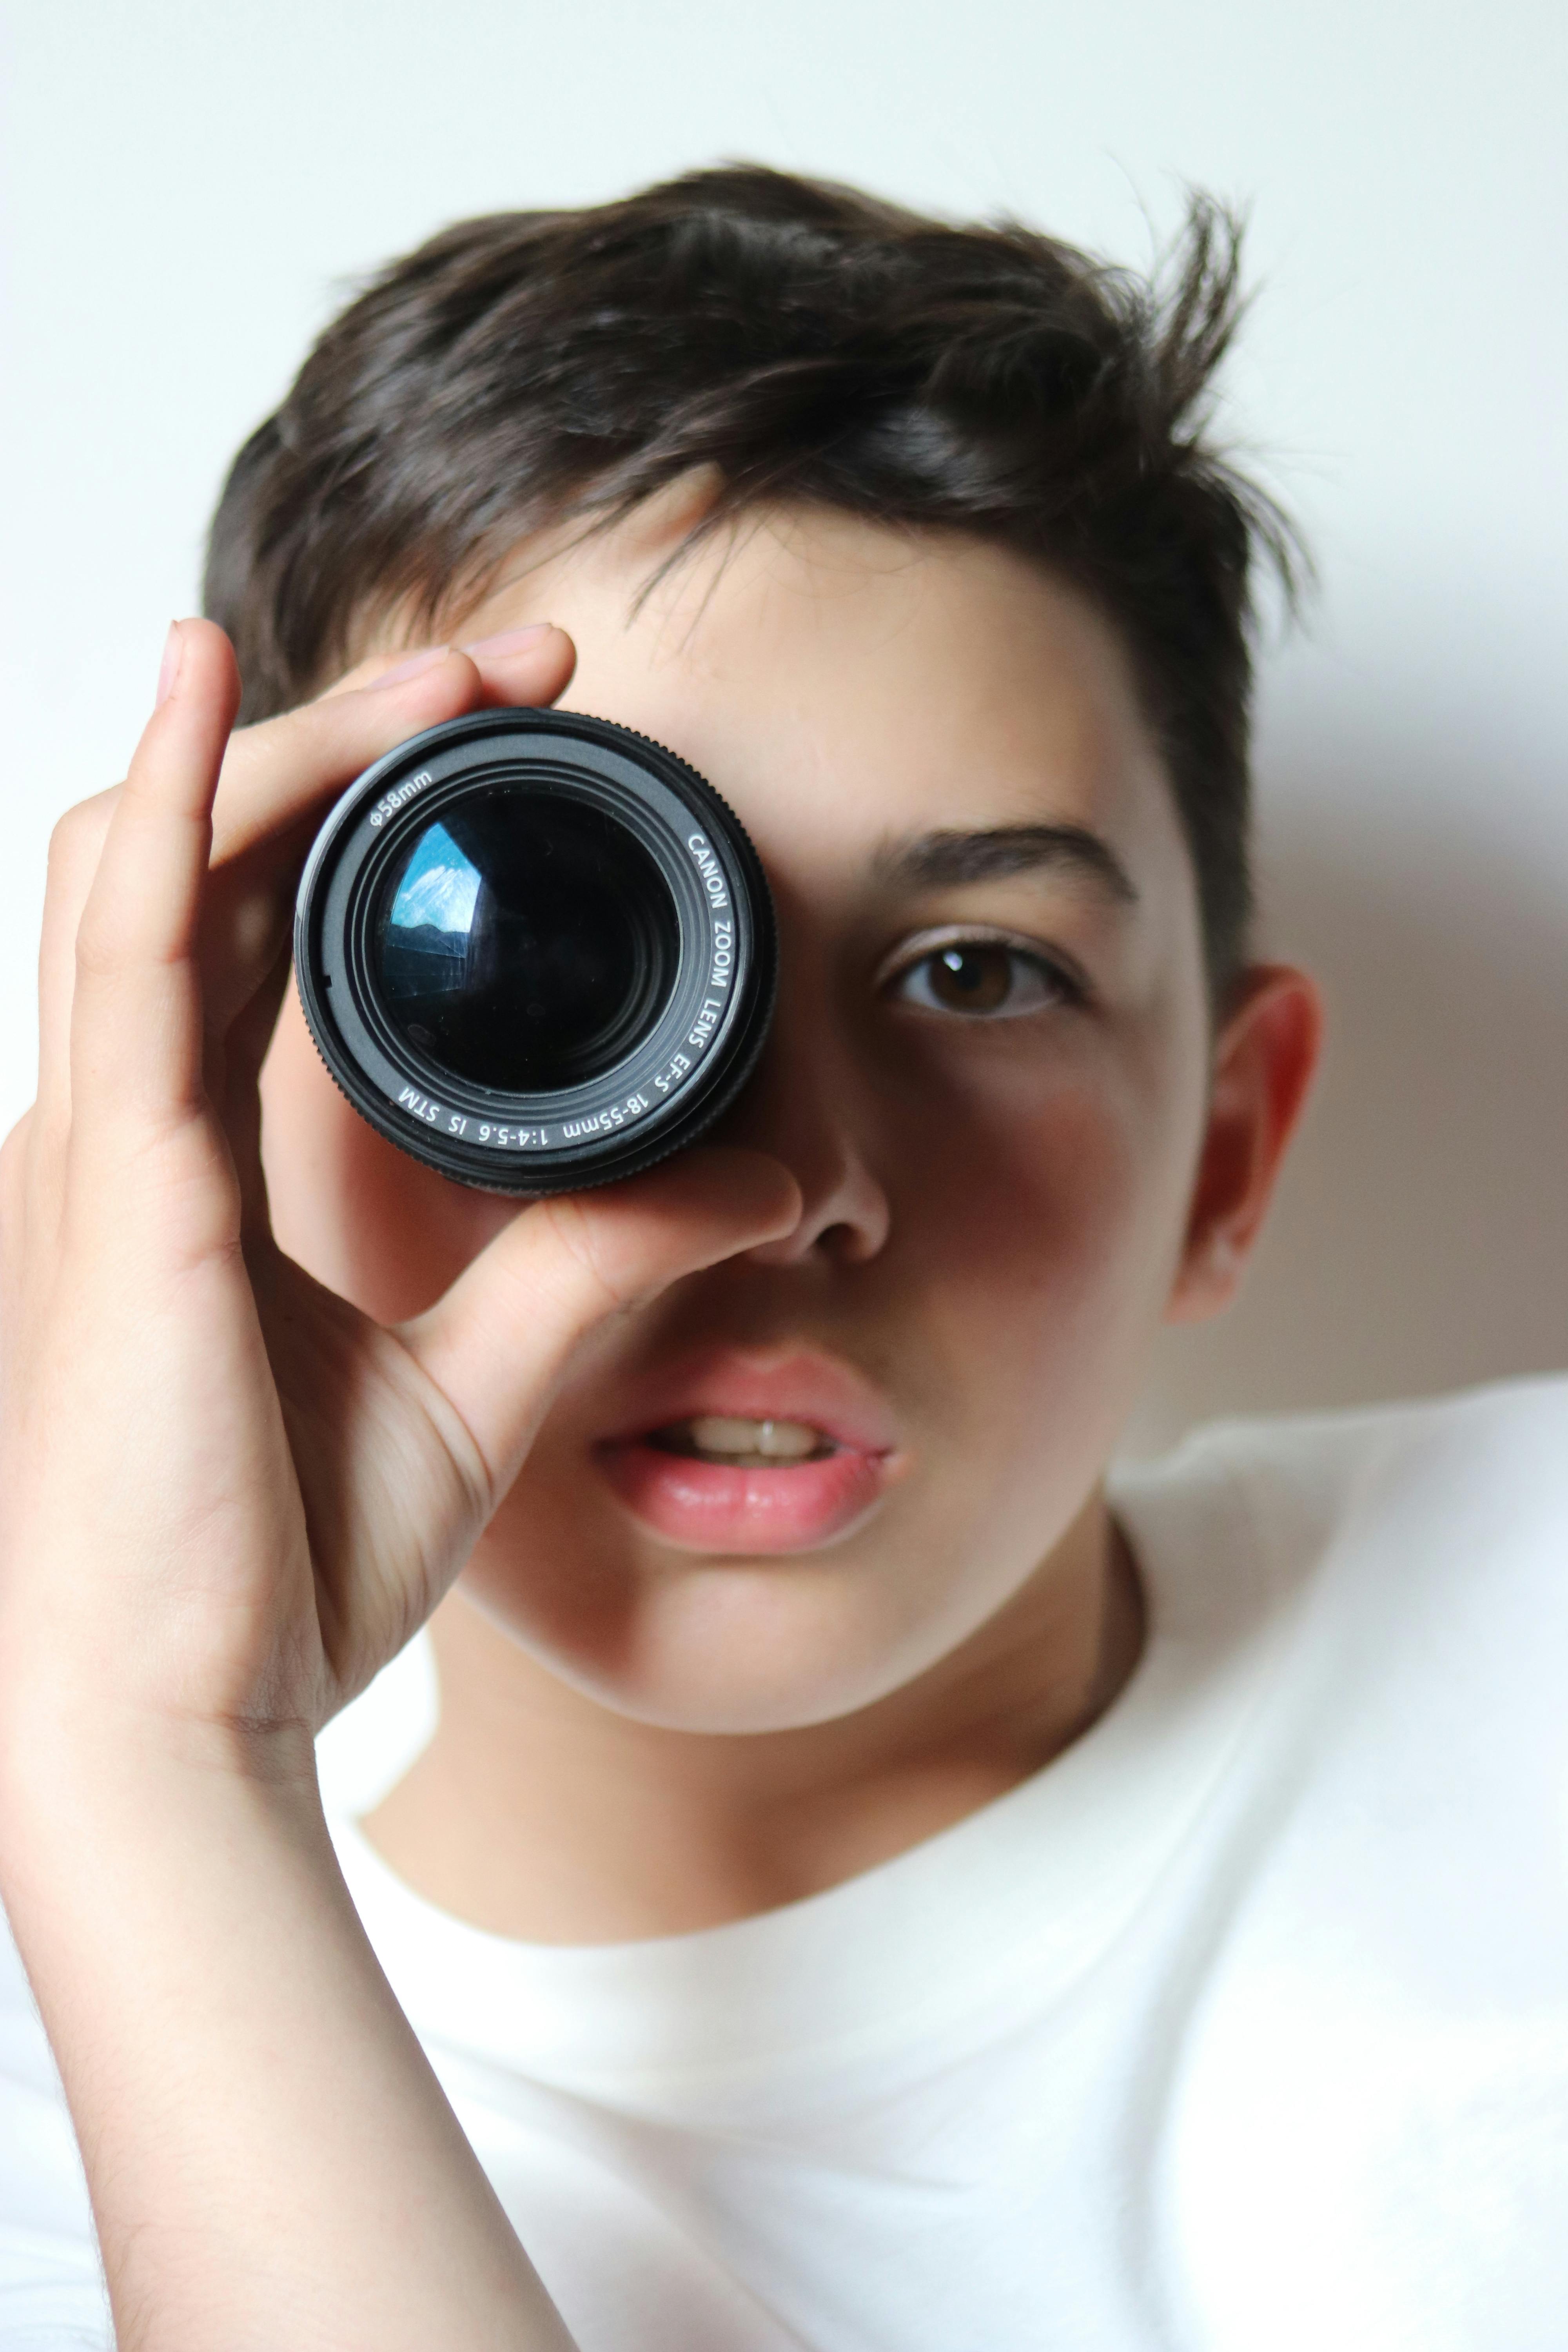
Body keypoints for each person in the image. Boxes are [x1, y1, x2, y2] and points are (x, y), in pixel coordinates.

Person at [0, 164, 1563, 2352]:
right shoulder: (105, 2133)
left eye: (974, 974)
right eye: (548, 969)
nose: (796, 1173)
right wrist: (145, 1753)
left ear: (1229, 1146)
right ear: (237, 1097)